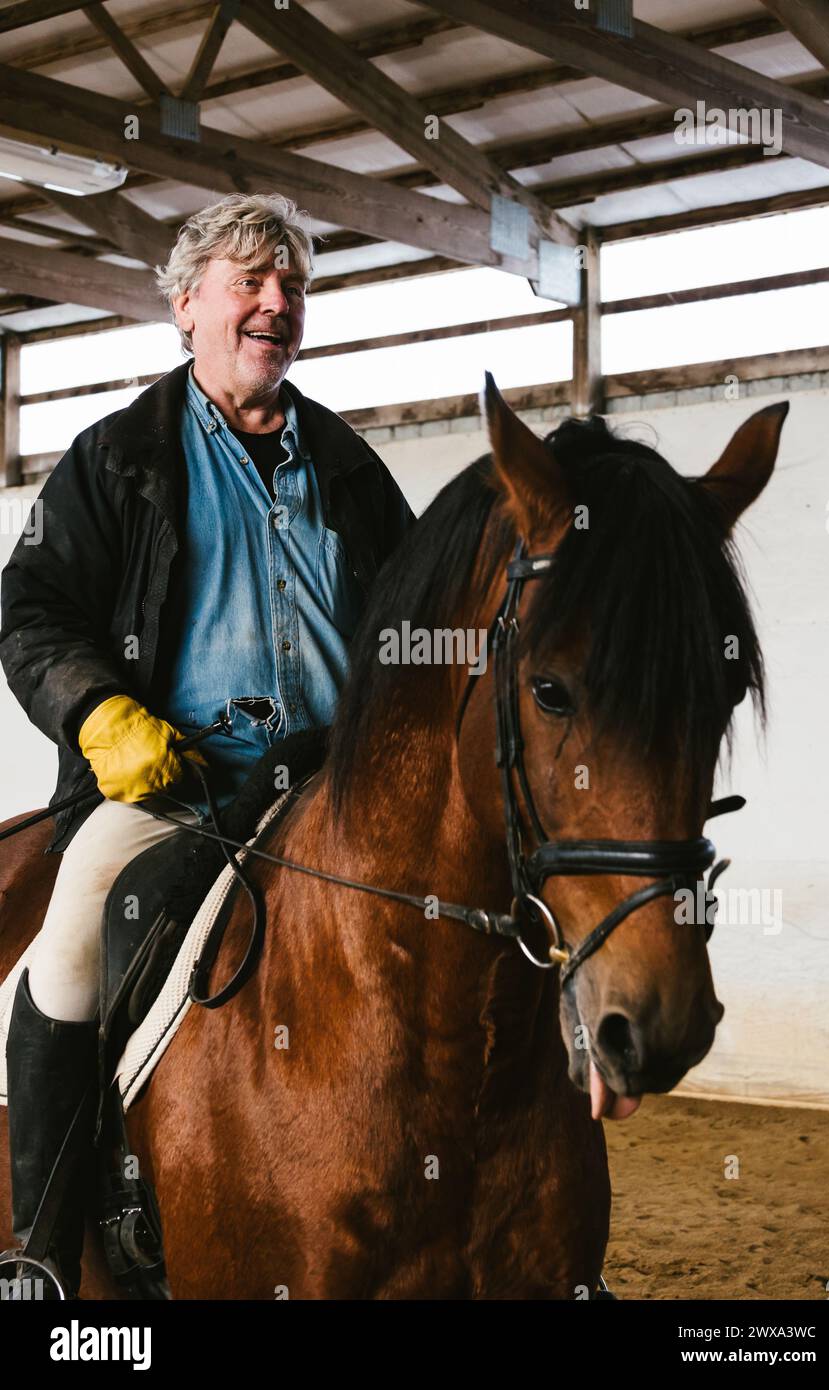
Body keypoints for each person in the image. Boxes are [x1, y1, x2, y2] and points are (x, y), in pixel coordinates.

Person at [0, 192, 414, 1297]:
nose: (276, 305)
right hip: (173, 782)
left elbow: (421, 636)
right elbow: (31, 608)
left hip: (335, 788)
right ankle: (41, 1249)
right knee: (73, 935)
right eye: (250, 283)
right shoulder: (114, 458)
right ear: (187, 306)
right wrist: (98, 712)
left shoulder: (353, 470)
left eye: (292, 288)